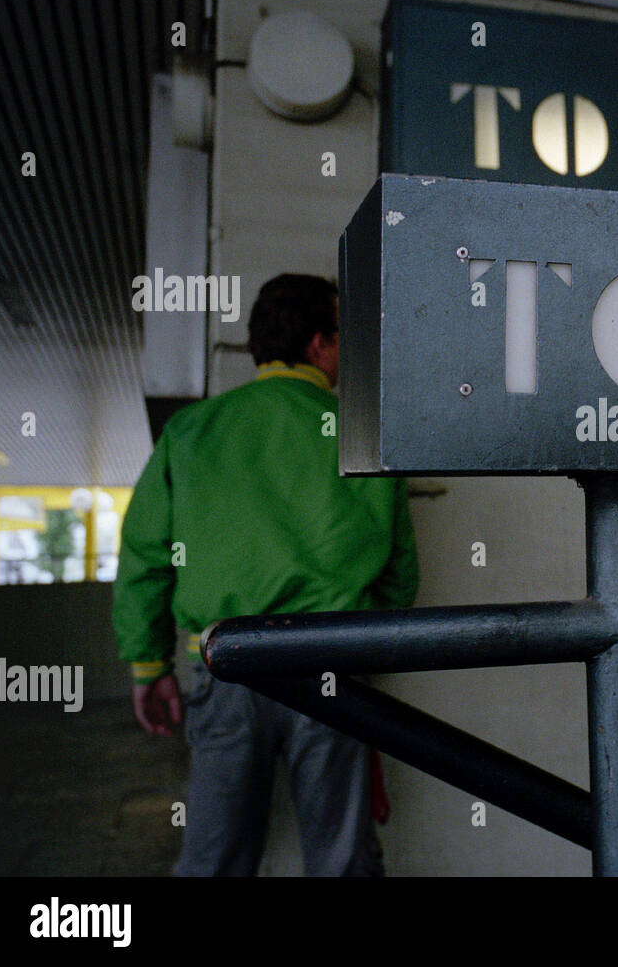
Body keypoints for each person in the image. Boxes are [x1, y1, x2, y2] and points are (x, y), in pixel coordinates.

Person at [112, 273, 419, 876]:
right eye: (340, 337)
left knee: (214, 859)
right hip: (332, 669)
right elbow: (398, 575)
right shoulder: (362, 434)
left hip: (223, 664)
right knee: (343, 859)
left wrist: (148, 666)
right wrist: (362, 636)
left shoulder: (191, 431)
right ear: (318, 346)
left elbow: (145, 557)